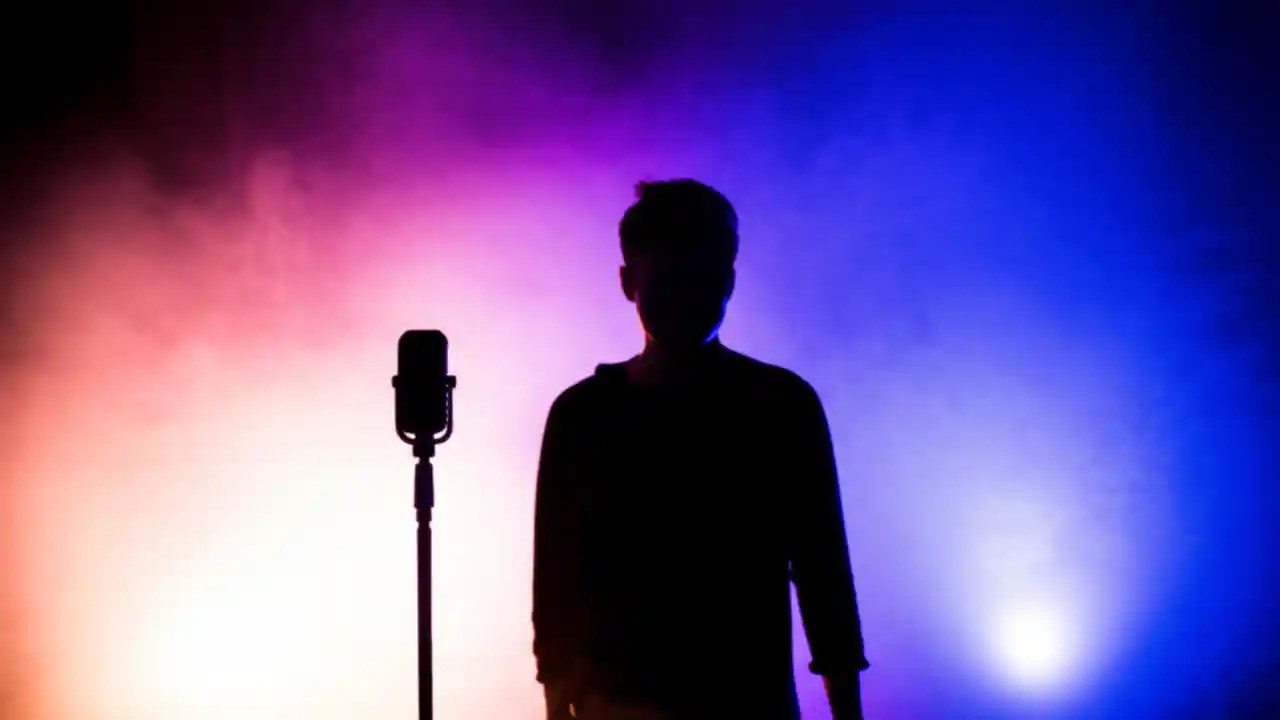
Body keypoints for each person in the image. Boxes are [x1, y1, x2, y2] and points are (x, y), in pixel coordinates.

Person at [532, 179, 870, 720]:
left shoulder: (585, 413)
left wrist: (558, 693)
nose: (687, 290)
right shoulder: (779, 402)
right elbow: (823, 572)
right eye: (670, 274)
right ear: (629, 281)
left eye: (700, 273)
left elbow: (558, 580)